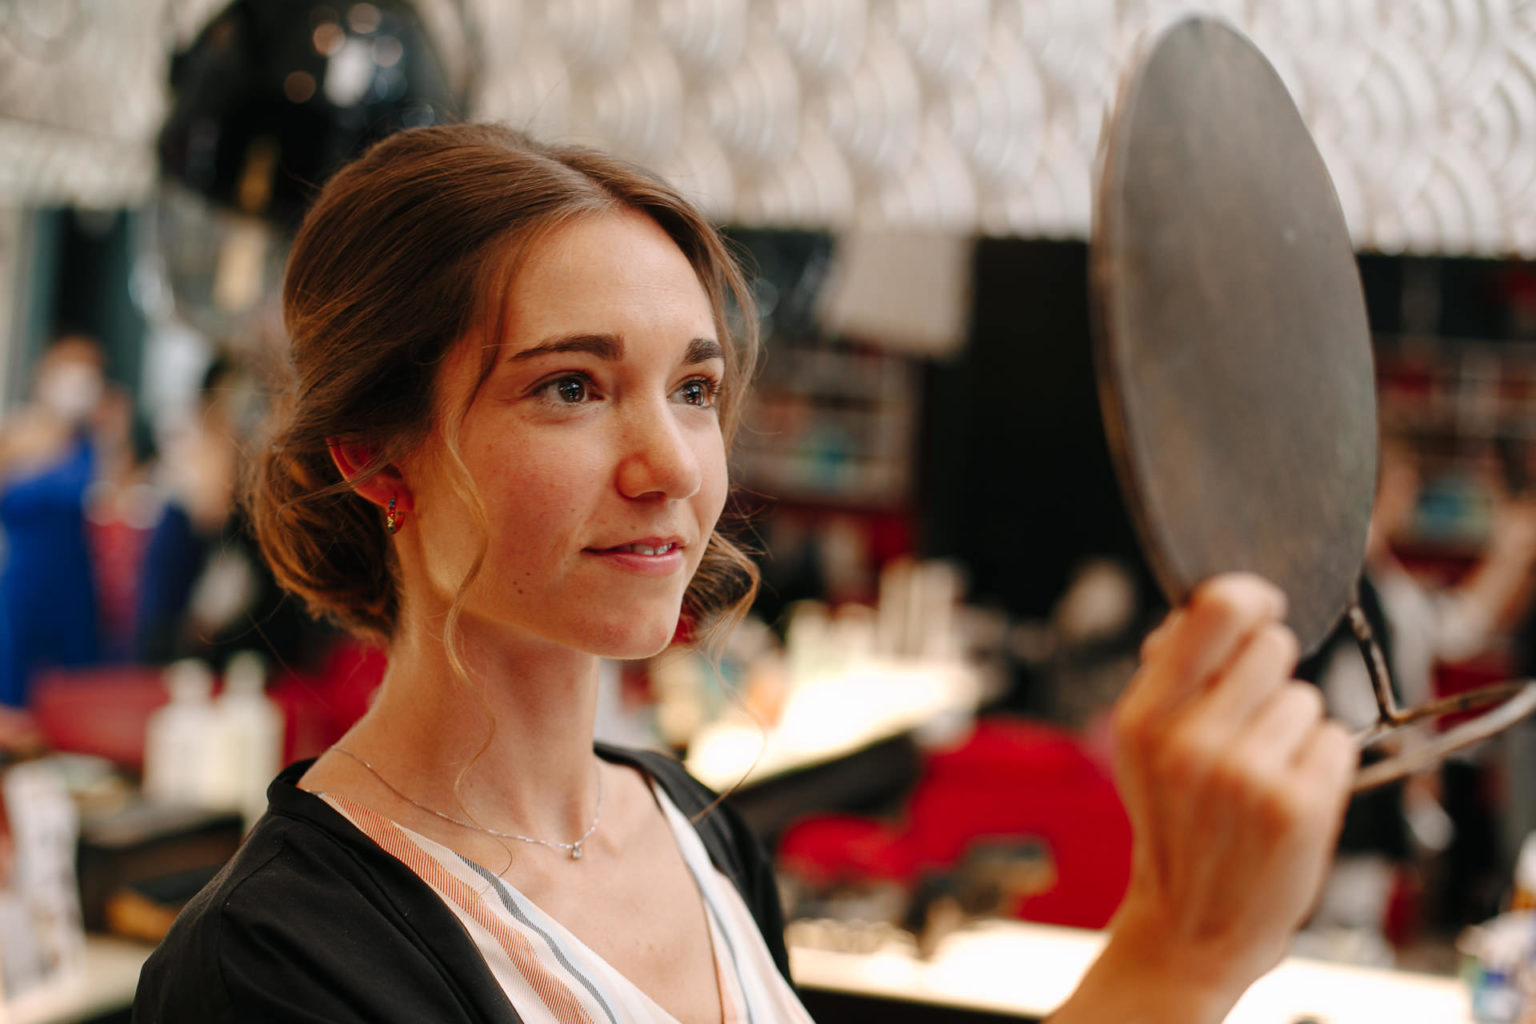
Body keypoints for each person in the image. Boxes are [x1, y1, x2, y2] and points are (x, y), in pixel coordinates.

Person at [133, 124, 1354, 1024]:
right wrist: (1171, 962)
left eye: (696, 388)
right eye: (572, 386)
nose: (671, 463)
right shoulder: (276, 966)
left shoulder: (694, 830)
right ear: (377, 459)